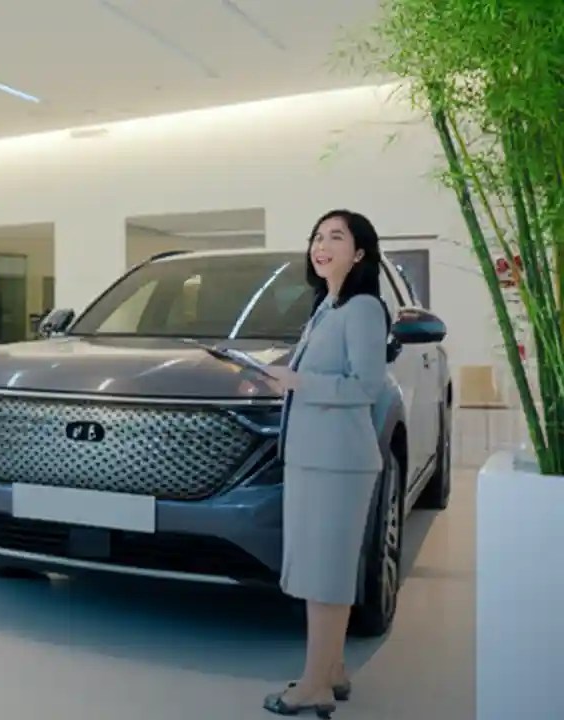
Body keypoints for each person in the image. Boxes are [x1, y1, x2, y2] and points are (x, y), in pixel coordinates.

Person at [262, 209, 390, 718]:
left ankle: (315, 684)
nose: (322, 244)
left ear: (359, 253)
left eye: (336, 236)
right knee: (320, 569)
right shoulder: (326, 309)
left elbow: (366, 386)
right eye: (317, 235)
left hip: (339, 461)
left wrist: (299, 384)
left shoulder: (363, 308)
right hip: (312, 458)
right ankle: (332, 671)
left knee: (325, 574)